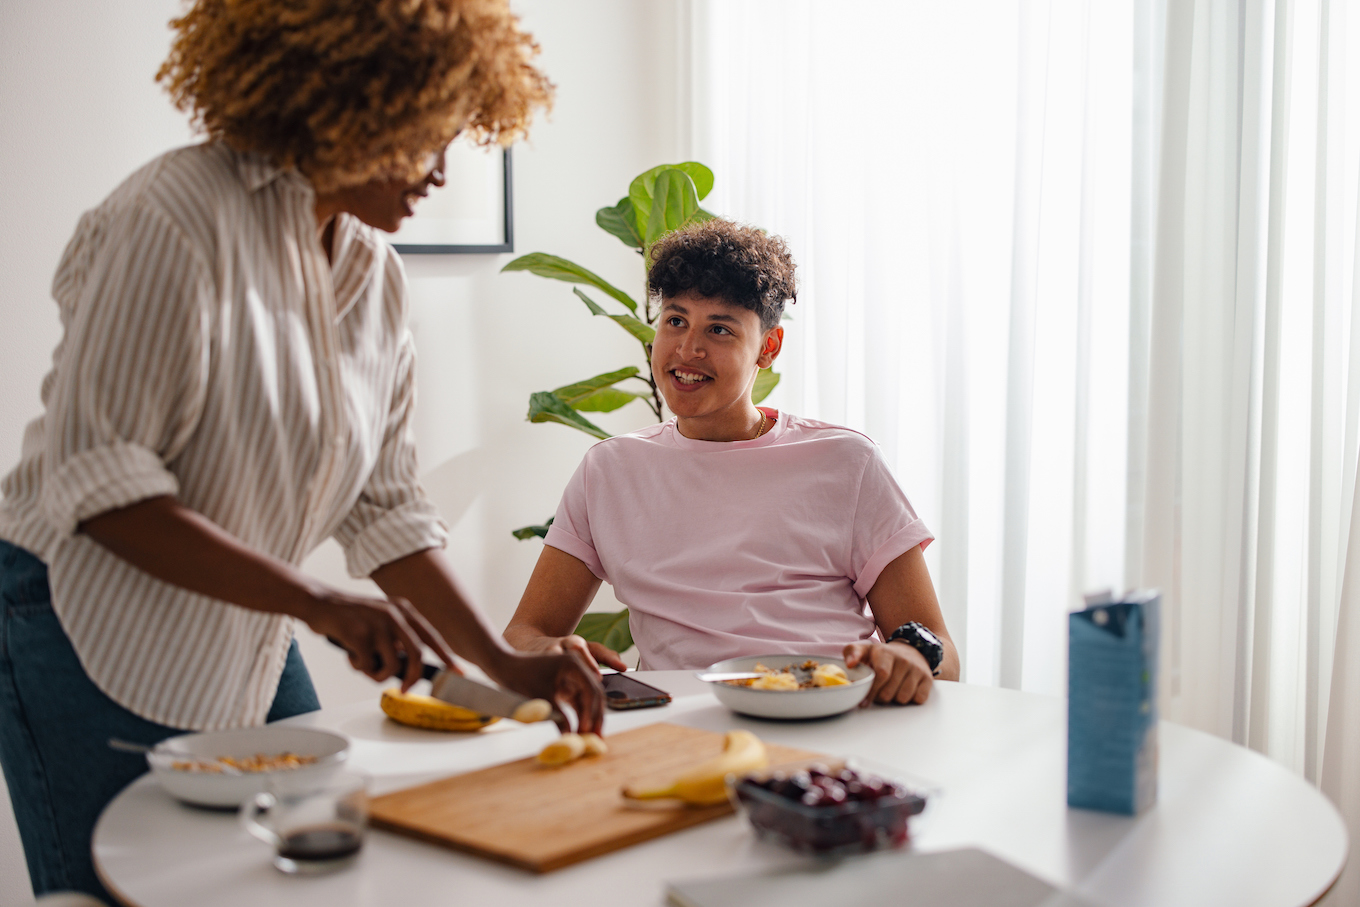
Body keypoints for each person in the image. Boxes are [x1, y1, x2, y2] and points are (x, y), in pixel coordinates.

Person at [0, 2, 602, 901]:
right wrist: (320, 600)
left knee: (294, 875)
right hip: (80, 610)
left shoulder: (372, 271)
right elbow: (100, 480)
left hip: (248, 615)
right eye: (419, 139)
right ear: (339, 104)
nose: (440, 173)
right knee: (118, 889)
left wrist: (501, 662)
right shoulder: (172, 216)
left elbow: (386, 509)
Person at [505, 218, 960, 705]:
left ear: (768, 347)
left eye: (719, 330)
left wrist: (910, 658)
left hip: (827, 713)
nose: (688, 349)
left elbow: (943, 656)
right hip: (680, 727)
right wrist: (549, 652)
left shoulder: (846, 461)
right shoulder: (610, 469)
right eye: (675, 321)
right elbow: (525, 634)